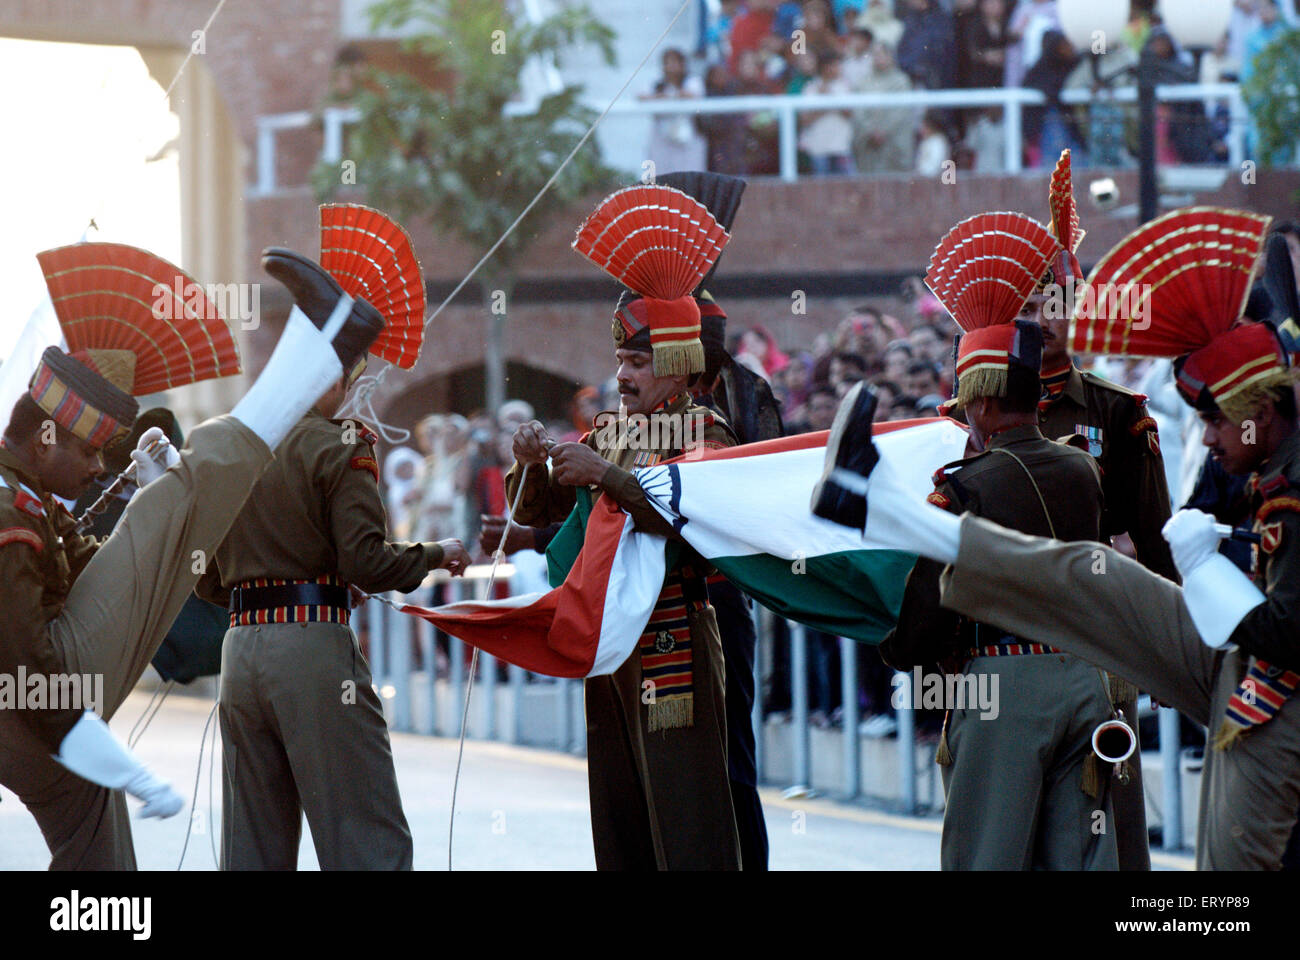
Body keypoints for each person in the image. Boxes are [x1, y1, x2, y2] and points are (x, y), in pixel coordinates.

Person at [818, 207, 1300, 869]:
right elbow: (1170, 545)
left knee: (1001, 854)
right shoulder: (1111, 456)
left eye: (1218, 420)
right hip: (1127, 662)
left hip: (1206, 673)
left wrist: (1202, 571)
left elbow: (1171, 549)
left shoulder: (1111, 418)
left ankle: (879, 509)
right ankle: (877, 506)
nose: (1208, 439)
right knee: (1079, 570)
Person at [0, 240, 384, 869]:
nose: (100, 466)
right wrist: (93, 741)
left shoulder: (26, 494)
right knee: (178, 501)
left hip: (29, 708)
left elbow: (92, 563)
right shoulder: (6, 508)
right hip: (31, 695)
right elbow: (27, 666)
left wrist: (146, 508)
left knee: (93, 830)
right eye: (90, 452)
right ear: (44, 442)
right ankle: (328, 344)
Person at [869, 211, 1117, 870]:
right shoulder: (1082, 468)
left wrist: (900, 654)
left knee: (989, 855)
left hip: (1003, 687)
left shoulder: (965, 486)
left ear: (978, 401)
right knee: (1081, 859)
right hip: (1086, 679)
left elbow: (928, 605)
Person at [506, 183, 741, 869]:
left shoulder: (706, 429)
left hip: (673, 633)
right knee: (619, 815)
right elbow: (548, 518)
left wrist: (603, 475)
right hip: (610, 641)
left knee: (686, 815)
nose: (622, 376)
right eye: (620, 361)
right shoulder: (612, 430)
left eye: (638, 362)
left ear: (676, 363)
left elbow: (693, 514)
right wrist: (534, 467)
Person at [199, 367, 470, 871]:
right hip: (313, 650)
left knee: (252, 843)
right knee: (363, 835)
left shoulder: (228, 444)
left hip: (240, 653)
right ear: (330, 381)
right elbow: (366, 562)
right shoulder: (341, 443)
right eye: (350, 379)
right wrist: (436, 553)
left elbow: (207, 580)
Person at [1031, 149, 1172, 869]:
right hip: (1009, 647)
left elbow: (1156, 539)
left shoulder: (1119, 416)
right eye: (1027, 307)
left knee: (1106, 824)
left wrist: (1176, 651)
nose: (1042, 320)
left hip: (1097, 642)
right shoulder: (971, 415)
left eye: (1054, 302)